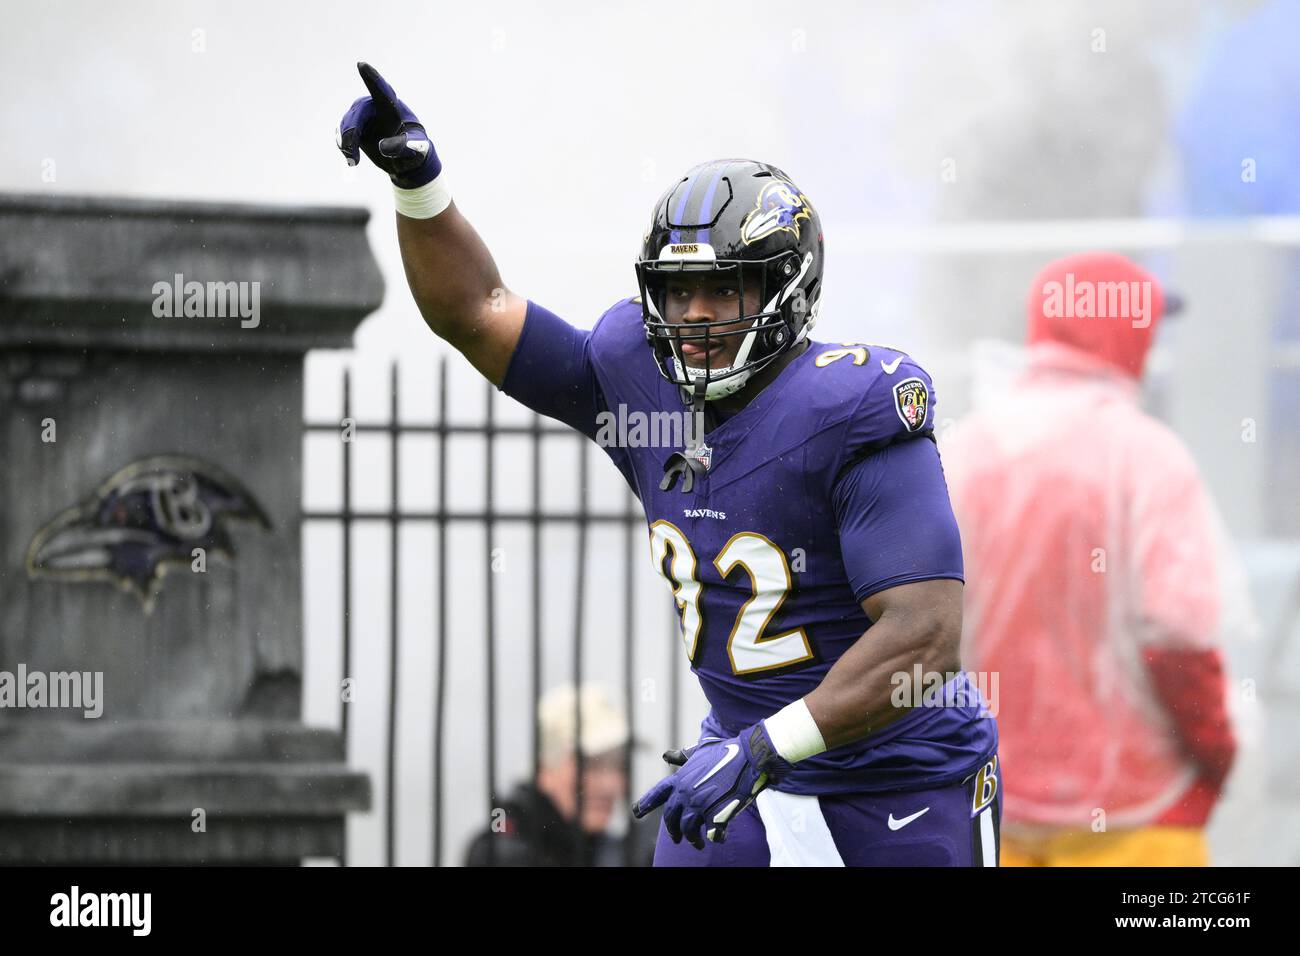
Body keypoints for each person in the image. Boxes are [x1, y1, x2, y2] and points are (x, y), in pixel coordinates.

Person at [338, 63, 999, 866]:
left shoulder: (854, 408)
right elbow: (477, 313)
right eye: (679, 291)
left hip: (893, 785)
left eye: (724, 291)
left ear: (788, 288)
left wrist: (767, 746)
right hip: (741, 774)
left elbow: (926, 635)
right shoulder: (634, 374)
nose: (695, 316)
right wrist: (419, 185)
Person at [942, 252, 1245, 866]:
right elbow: (1180, 631)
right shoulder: (1147, 457)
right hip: (1136, 824)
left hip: (985, 815)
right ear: (1125, 332)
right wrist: (1214, 759)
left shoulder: (960, 450)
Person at [464, 683, 652, 867]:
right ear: (545, 766)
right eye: (591, 765)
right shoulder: (499, 852)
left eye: (621, 765)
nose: (611, 784)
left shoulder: (604, 849)